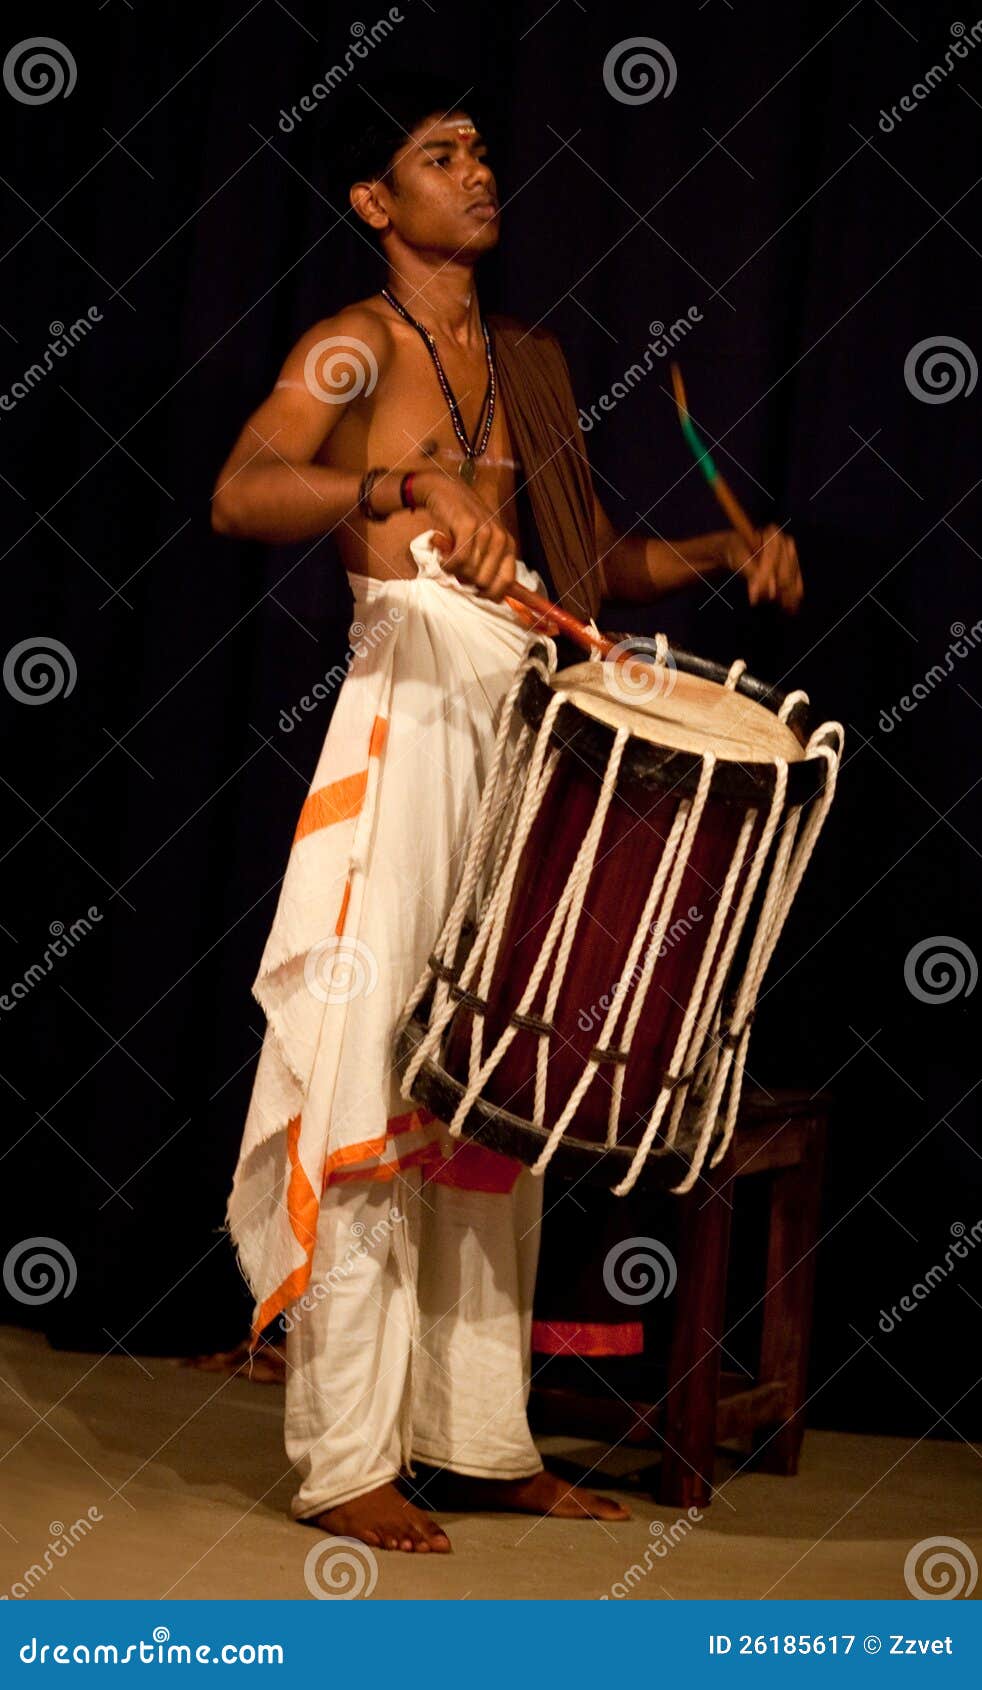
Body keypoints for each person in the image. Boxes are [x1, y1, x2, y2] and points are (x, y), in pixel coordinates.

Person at [213, 75, 803, 1557]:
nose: (479, 172)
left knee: (488, 1096)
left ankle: (476, 1435)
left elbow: (584, 562)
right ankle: (348, 1450)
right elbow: (243, 491)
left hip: (525, 748)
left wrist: (719, 551)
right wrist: (395, 476)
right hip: (402, 737)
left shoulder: (529, 359)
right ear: (373, 200)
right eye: (439, 155)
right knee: (367, 1087)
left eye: (481, 150)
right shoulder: (350, 350)